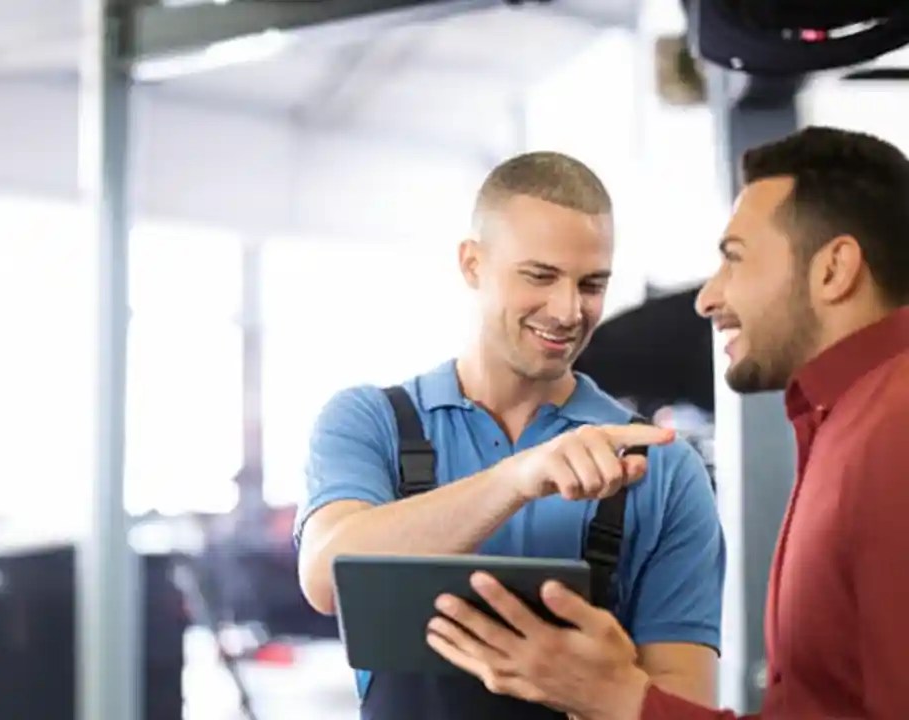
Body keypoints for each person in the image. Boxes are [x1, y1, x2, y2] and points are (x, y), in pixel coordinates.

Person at [424, 126, 909, 720]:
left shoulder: (894, 430)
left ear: (834, 269)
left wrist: (621, 698)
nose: (708, 297)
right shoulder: (849, 424)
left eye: (734, 258)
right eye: (538, 276)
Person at [293, 151, 725, 719]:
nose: (569, 310)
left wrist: (601, 685)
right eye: (540, 276)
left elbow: (687, 702)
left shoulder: (659, 467)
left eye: (591, 284)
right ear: (472, 264)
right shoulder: (370, 421)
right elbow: (329, 577)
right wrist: (516, 479)